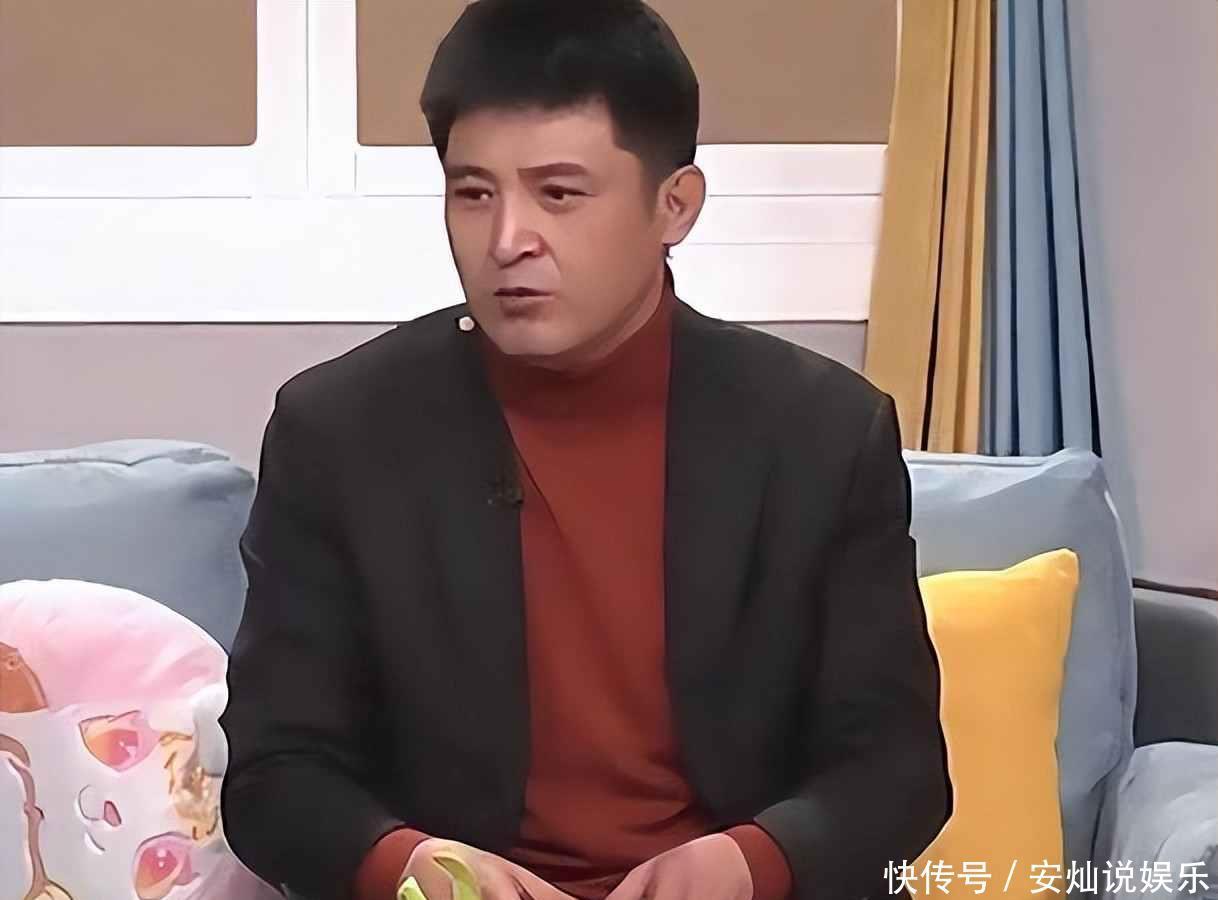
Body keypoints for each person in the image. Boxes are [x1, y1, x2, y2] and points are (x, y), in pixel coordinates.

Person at [218, 2, 953, 899]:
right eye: (473, 193)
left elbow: (896, 769)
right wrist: (410, 866)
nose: (507, 241)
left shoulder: (821, 434)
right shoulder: (340, 432)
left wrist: (751, 862)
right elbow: (275, 773)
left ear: (674, 205)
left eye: (559, 194)